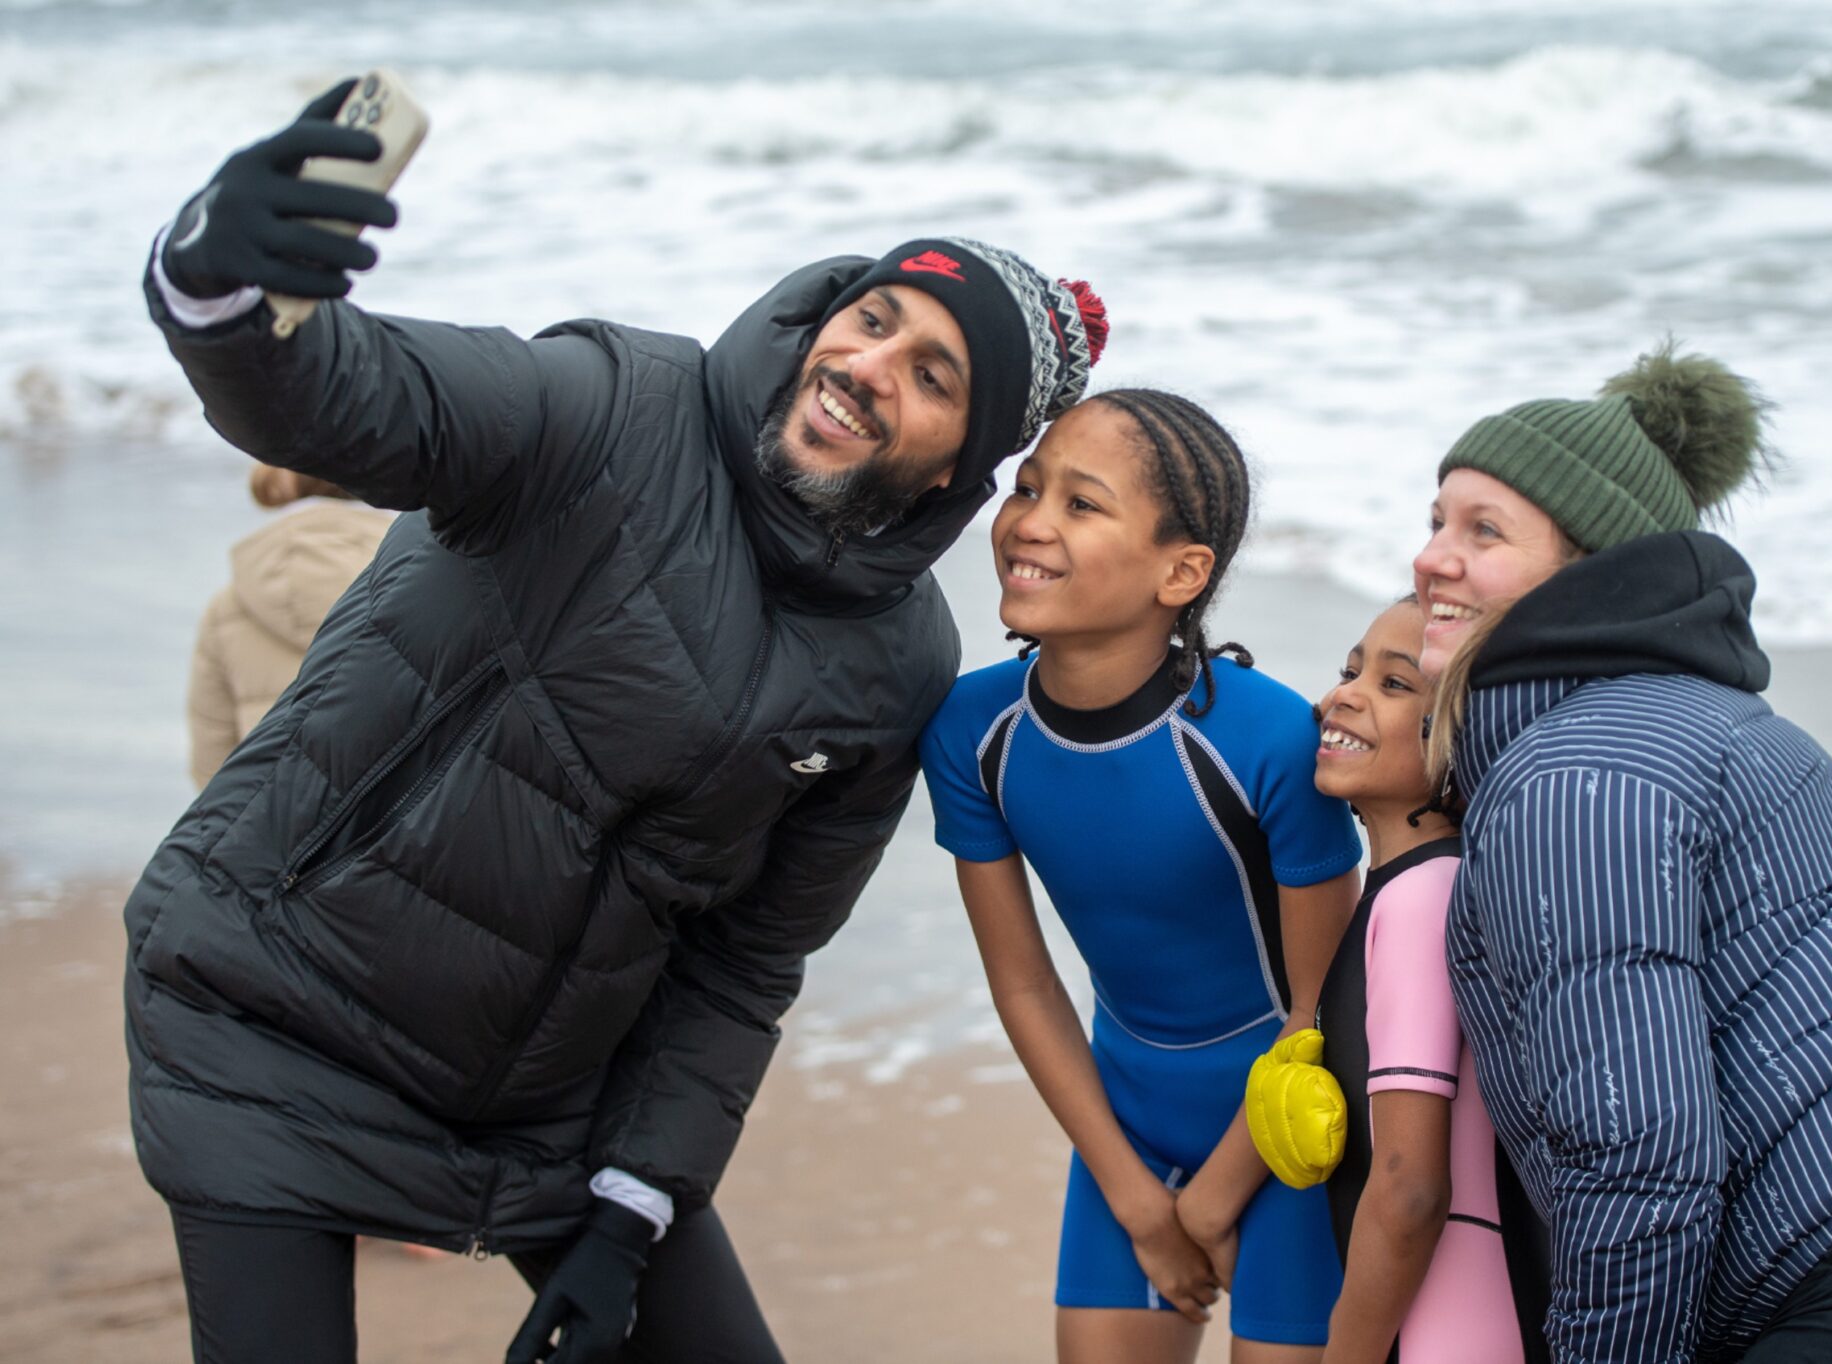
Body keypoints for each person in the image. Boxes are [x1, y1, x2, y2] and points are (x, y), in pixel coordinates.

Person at [125, 80, 1107, 1364]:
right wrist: (220, 291)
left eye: (930, 374)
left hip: (547, 1102)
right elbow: (355, 397)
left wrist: (635, 1204)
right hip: (273, 1013)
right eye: (870, 318)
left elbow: (744, 962)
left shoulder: (901, 659)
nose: (866, 368)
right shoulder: (606, 407)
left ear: (954, 464)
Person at [1412, 342, 1832, 1363]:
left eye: (1483, 531)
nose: (1430, 557)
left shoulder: (1573, 775)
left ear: (1591, 568)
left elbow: (1634, 1153)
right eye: (1436, 519)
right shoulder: (1707, 714)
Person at [918, 389, 1362, 1363]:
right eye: (1027, 487)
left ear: (1181, 570)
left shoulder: (1266, 739)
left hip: (1288, 1127)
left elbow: (1321, 1004)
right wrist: (1133, 1194)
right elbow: (1025, 981)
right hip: (1125, 1118)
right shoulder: (971, 730)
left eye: (1080, 503)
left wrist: (1207, 1197)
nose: (1028, 520)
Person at [1302, 595, 1547, 1363]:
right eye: (1350, 670)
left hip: (1451, 1329)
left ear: (1460, 741)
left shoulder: (1420, 899)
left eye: (1394, 684)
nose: (1344, 695)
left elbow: (1411, 1190)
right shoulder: (1424, 885)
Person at [186, 464, 390, 788]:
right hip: (403, 826)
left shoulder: (227, 608)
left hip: (273, 827)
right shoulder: (435, 584)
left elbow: (211, 771)